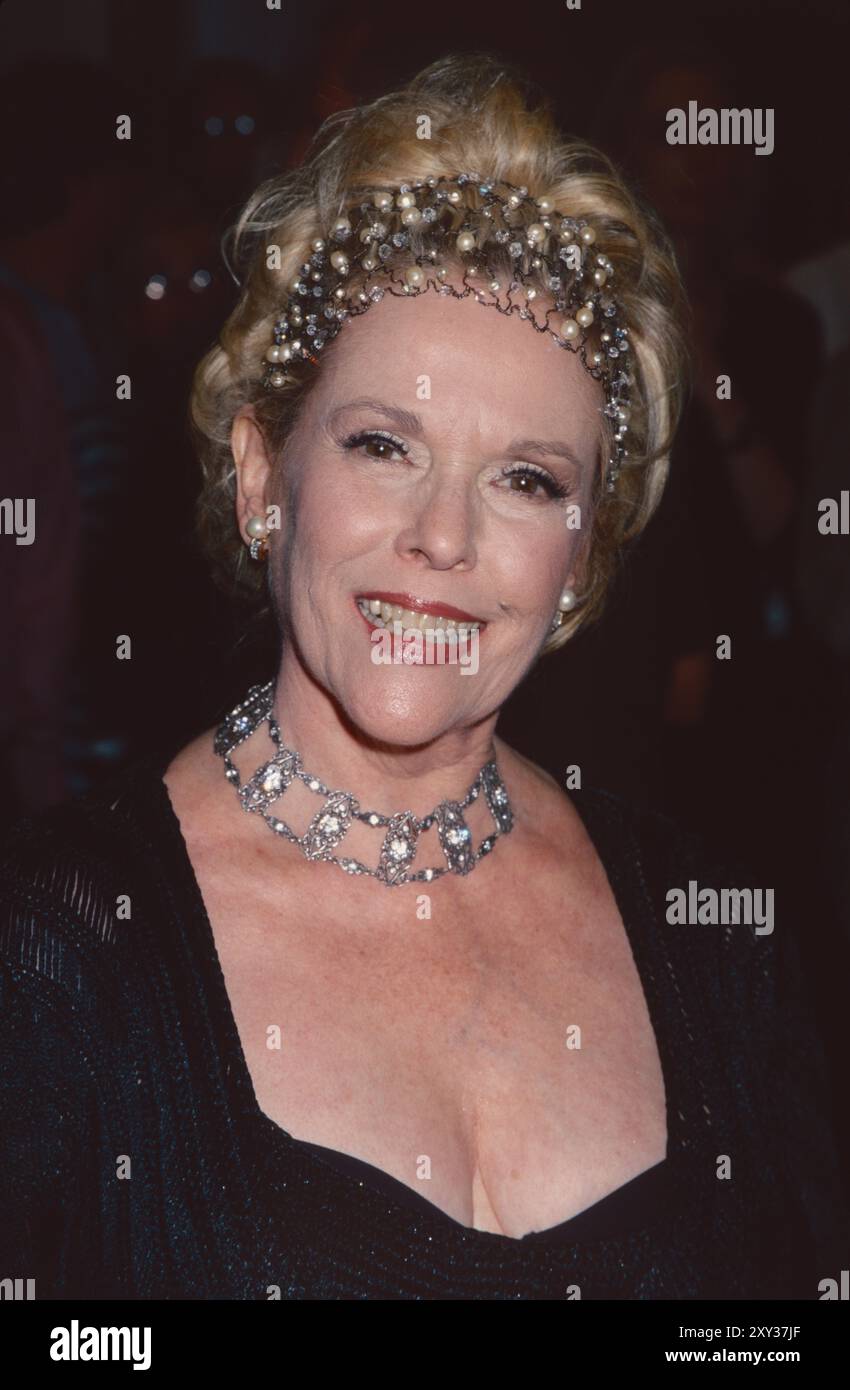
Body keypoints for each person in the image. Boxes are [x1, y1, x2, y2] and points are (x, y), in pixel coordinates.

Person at [0, 52, 845, 1301]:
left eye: (526, 478)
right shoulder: (61, 952)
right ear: (258, 478)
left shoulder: (707, 929)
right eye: (384, 443)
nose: (443, 537)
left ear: (581, 557)